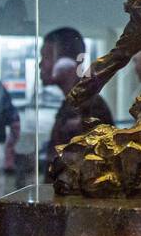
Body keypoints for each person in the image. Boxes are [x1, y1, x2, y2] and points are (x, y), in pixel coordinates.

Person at [41, 27, 113, 173]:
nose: (41, 64)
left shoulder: (90, 106)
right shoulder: (73, 103)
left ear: (64, 63)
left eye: (46, 57)